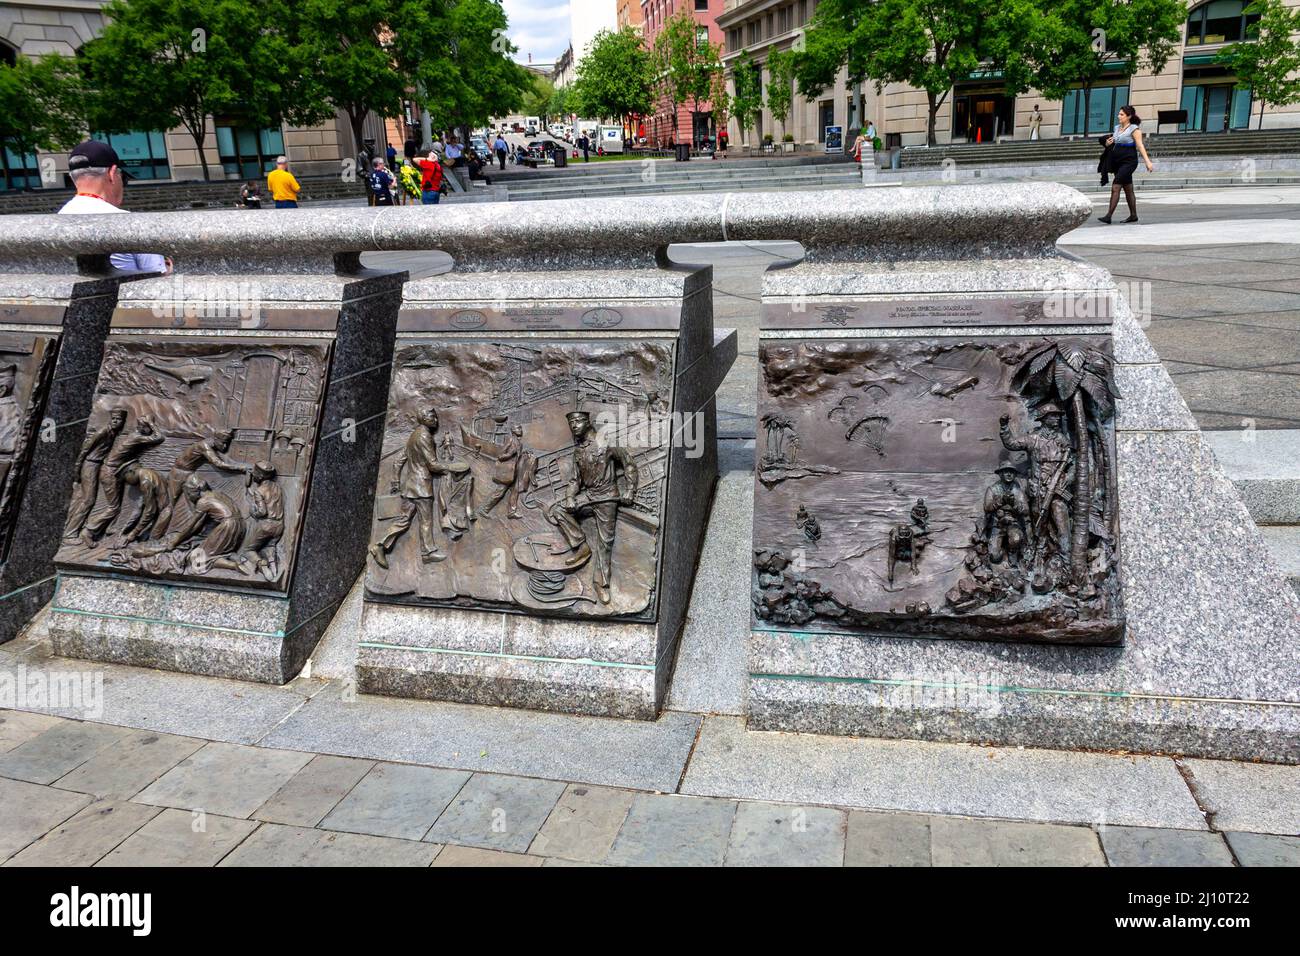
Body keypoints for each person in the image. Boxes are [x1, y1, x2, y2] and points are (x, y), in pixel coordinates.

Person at [544, 410, 639, 605]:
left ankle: (601, 584)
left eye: (578, 422)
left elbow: (628, 464)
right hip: (588, 495)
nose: (574, 427)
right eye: (571, 424)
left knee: (605, 543)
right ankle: (581, 546)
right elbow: (574, 480)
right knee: (558, 510)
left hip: (606, 496)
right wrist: (570, 496)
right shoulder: (578, 451)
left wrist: (630, 489)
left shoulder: (605, 442)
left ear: (587, 422)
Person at [57, 141, 169, 274]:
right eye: (123, 178)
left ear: (72, 177)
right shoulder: (131, 223)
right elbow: (158, 276)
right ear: (112, 173)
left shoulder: (57, 220)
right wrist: (168, 268)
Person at [369, 406, 455, 567]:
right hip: (421, 486)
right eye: (432, 416)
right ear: (423, 417)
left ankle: (379, 545)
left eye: (436, 417)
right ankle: (428, 553)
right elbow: (432, 464)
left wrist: (395, 482)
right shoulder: (425, 436)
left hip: (410, 486)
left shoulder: (413, 436)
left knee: (403, 520)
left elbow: (398, 462)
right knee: (426, 521)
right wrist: (450, 468)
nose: (436, 420)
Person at [1098, 105, 1153, 224]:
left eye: (1122, 114)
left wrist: (1147, 161)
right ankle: (1133, 215)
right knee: (1128, 189)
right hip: (1117, 162)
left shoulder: (1134, 129)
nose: (1119, 116)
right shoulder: (1117, 128)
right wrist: (1107, 143)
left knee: (1116, 186)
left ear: (1129, 116)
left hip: (1129, 162)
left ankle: (1108, 216)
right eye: (1119, 114)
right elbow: (1113, 143)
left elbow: (1140, 146)